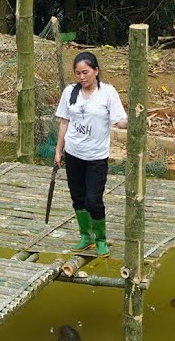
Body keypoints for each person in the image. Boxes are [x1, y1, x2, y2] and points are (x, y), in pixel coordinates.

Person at [54, 51, 128, 257]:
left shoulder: (107, 92)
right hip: (73, 153)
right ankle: (86, 237)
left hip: (96, 156)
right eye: (77, 73)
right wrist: (58, 151)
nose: (81, 77)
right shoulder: (70, 92)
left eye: (85, 72)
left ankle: (101, 239)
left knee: (93, 200)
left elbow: (119, 120)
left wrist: (133, 121)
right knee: (77, 197)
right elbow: (64, 122)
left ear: (96, 71)